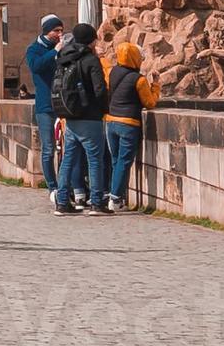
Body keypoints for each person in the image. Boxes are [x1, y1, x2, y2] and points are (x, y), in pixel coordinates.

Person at [49, 22, 109, 214]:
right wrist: (102, 108)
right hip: (90, 115)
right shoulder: (90, 59)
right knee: (94, 159)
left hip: (70, 114)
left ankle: (62, 202)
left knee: (68, 159)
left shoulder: (65, 56)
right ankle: (97, 202)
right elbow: (99, 89)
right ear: (91, 40)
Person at [101, 41, 156, 212]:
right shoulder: (138, 79)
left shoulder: (112, 72)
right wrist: (156, 85)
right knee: (124, 162)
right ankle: (116, 198)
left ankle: (116, 195)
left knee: (116, 160)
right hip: (128, 123)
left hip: (110, 121)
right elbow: (150, 102)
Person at [24, 14, 64, 199]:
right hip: (45, 105)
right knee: (48, 149)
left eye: (61, 30)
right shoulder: (34, 49)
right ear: (47, 31)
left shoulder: (63, 47)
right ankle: (52, 187)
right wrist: (55, 52)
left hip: (63, 104)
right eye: (56, 30)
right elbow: (36, 66)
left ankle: (66, 186)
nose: (60, 34)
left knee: (65, 148)